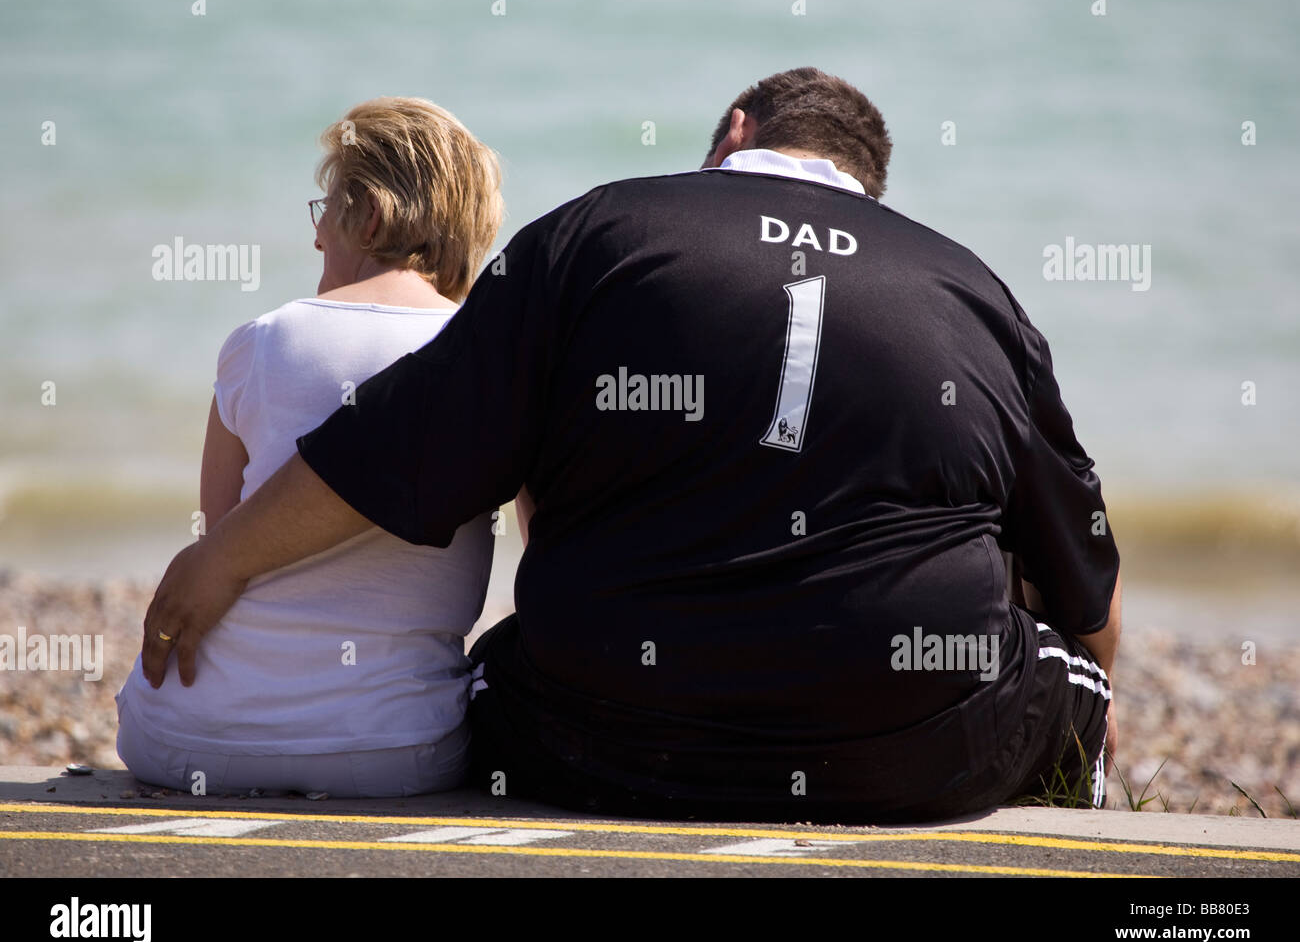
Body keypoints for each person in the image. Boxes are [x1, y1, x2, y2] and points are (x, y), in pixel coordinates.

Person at [138, 68, 1121, 822]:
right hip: (909, 751)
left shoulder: (599, 231)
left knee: (483, 675)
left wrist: (220, 558)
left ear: (733, 135)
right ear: (867, 185)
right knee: (1067, 673)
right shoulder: (974, 292)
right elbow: (1084, 584)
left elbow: (407, 441)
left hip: (599, 737)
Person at [117, 97, 504, 797]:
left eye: (325, 211)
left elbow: (219, 539)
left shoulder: (259, 343)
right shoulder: (489, 357)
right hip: (397, 749)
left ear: (372, 217)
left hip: (186, 739)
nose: (318, 238)